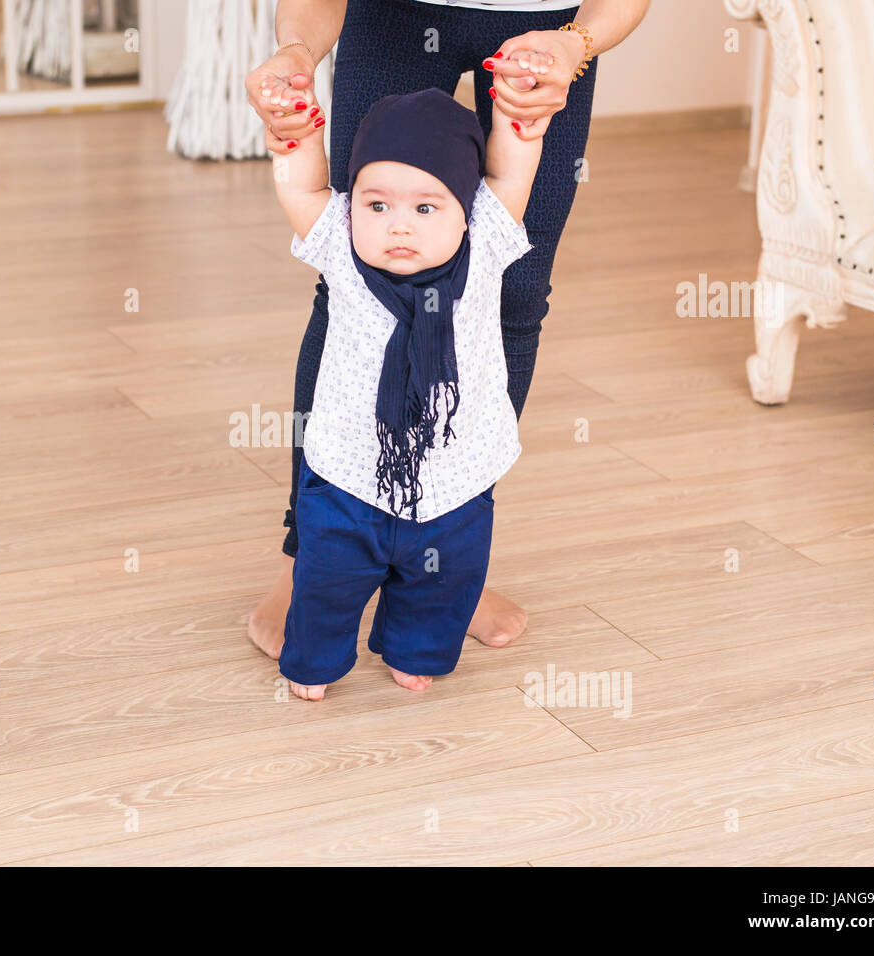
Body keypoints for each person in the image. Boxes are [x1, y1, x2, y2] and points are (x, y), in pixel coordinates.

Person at [246, 0, 651, 661]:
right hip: (396, 16)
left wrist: (577, 43)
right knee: (357, 279)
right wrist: (297, 49)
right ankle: (310, 555)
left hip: (549, 25)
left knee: (514, 287)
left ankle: (444, 555)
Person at [272, 80, 551, 700]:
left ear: (467, 208)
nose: (400, 227)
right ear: (351, 208)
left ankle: (414, 650)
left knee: (445, 581)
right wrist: (296, 136)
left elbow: (512, 175)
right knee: (327, 581)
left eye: (426, 208)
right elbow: (299, 186)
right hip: (348, 476)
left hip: (455, 480)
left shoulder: (485, 248)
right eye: (377, 206)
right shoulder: (342, 254)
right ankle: (315, 662)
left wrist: (517, 116)